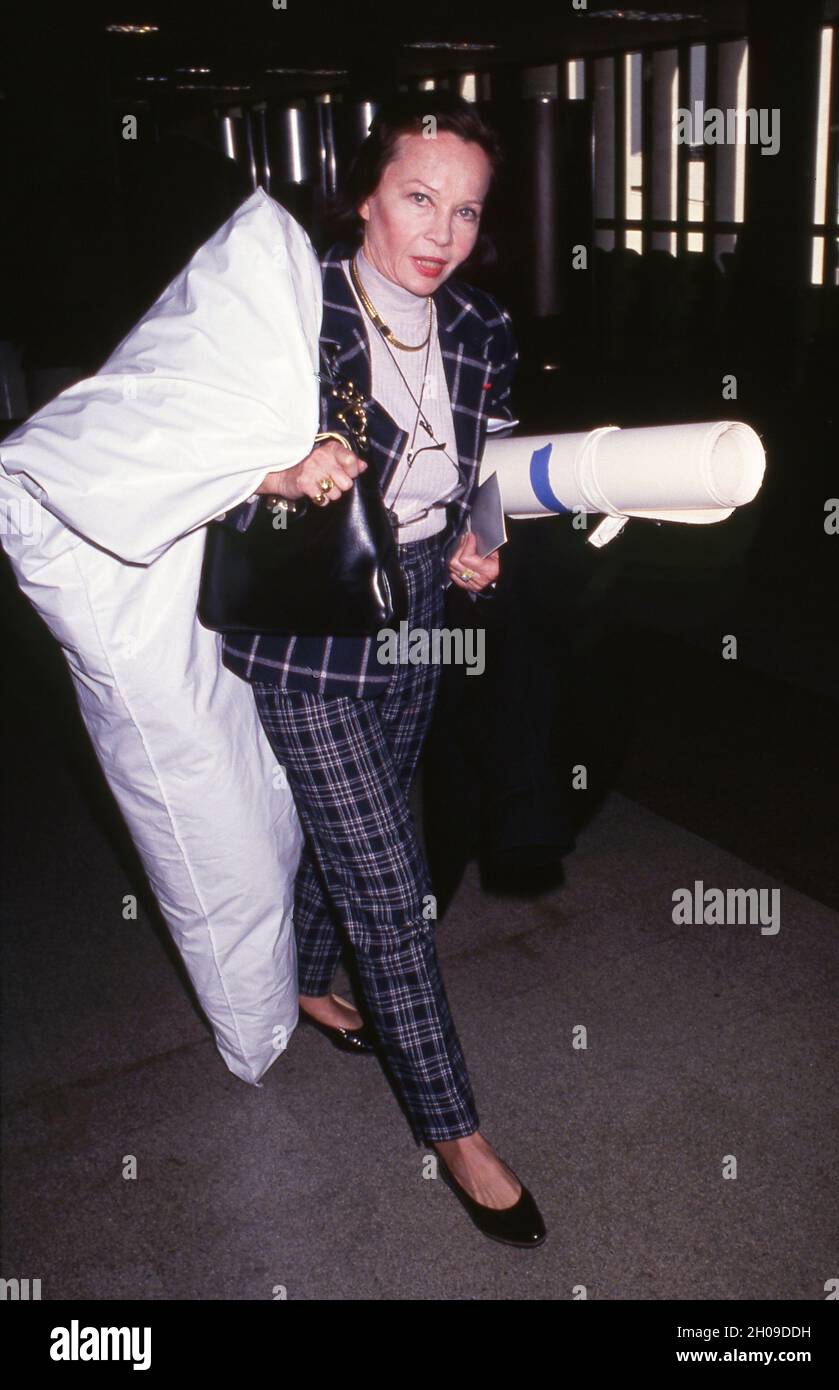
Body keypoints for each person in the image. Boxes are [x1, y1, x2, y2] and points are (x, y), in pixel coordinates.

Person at [219, 94, 545, 1248]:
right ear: (365, 190)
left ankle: (313, 978)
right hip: (306, 626)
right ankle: (456, 1130)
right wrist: (278, 471)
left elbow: (493, 459)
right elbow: (187, 442)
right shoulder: (292, 307)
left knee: (357, 829)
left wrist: (484, 539)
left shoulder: (479, 324)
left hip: (414, 603)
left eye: (465, 209)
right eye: (419, 197)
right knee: (391, 882)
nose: (442, 231)